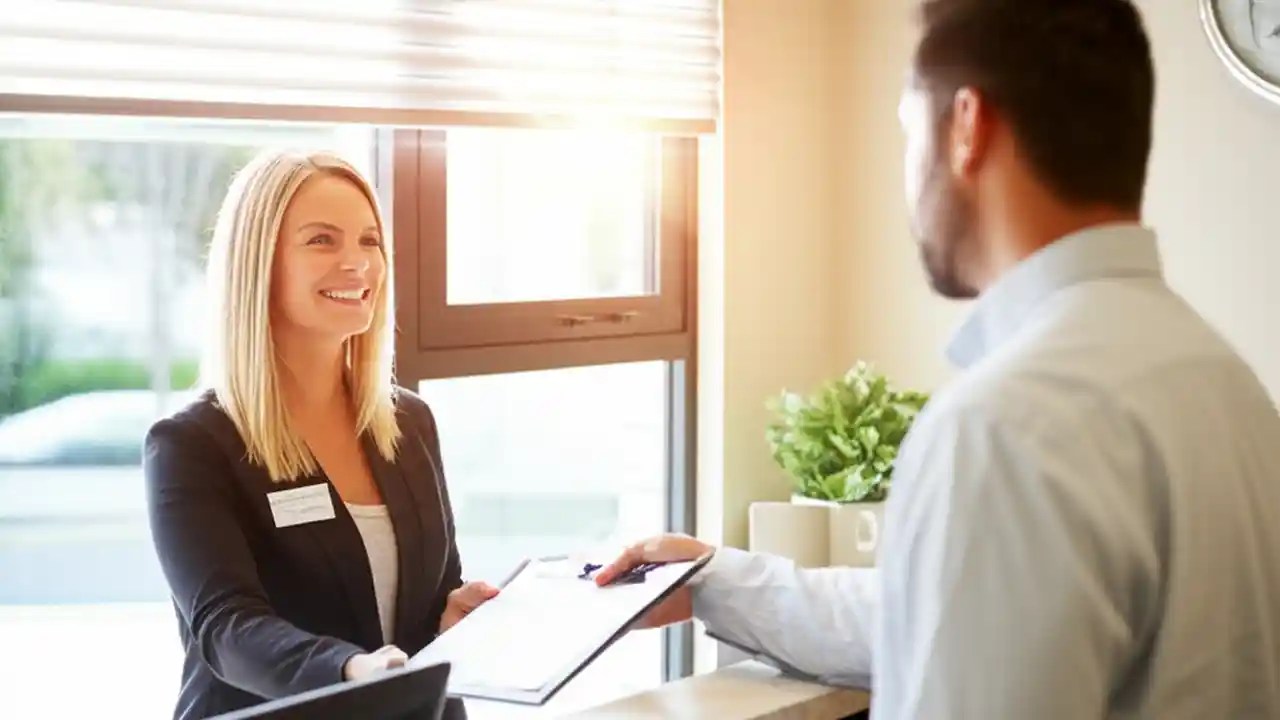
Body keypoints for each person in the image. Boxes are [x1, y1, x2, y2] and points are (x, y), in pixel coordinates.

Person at [597, 1, 1280, 717]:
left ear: (965, 126)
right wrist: (715, 578)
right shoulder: (1230, 392)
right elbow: (935, 613)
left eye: (905, 130)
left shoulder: (1006, 429)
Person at [143, 150, 497, 720]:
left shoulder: (409, 423)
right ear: (258, 264)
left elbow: (433, 592)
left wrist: (450, 617)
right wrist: (351, 671)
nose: (357, 264)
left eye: (369, 241)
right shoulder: (190, 446)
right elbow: (227, 628)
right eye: (322, 241)